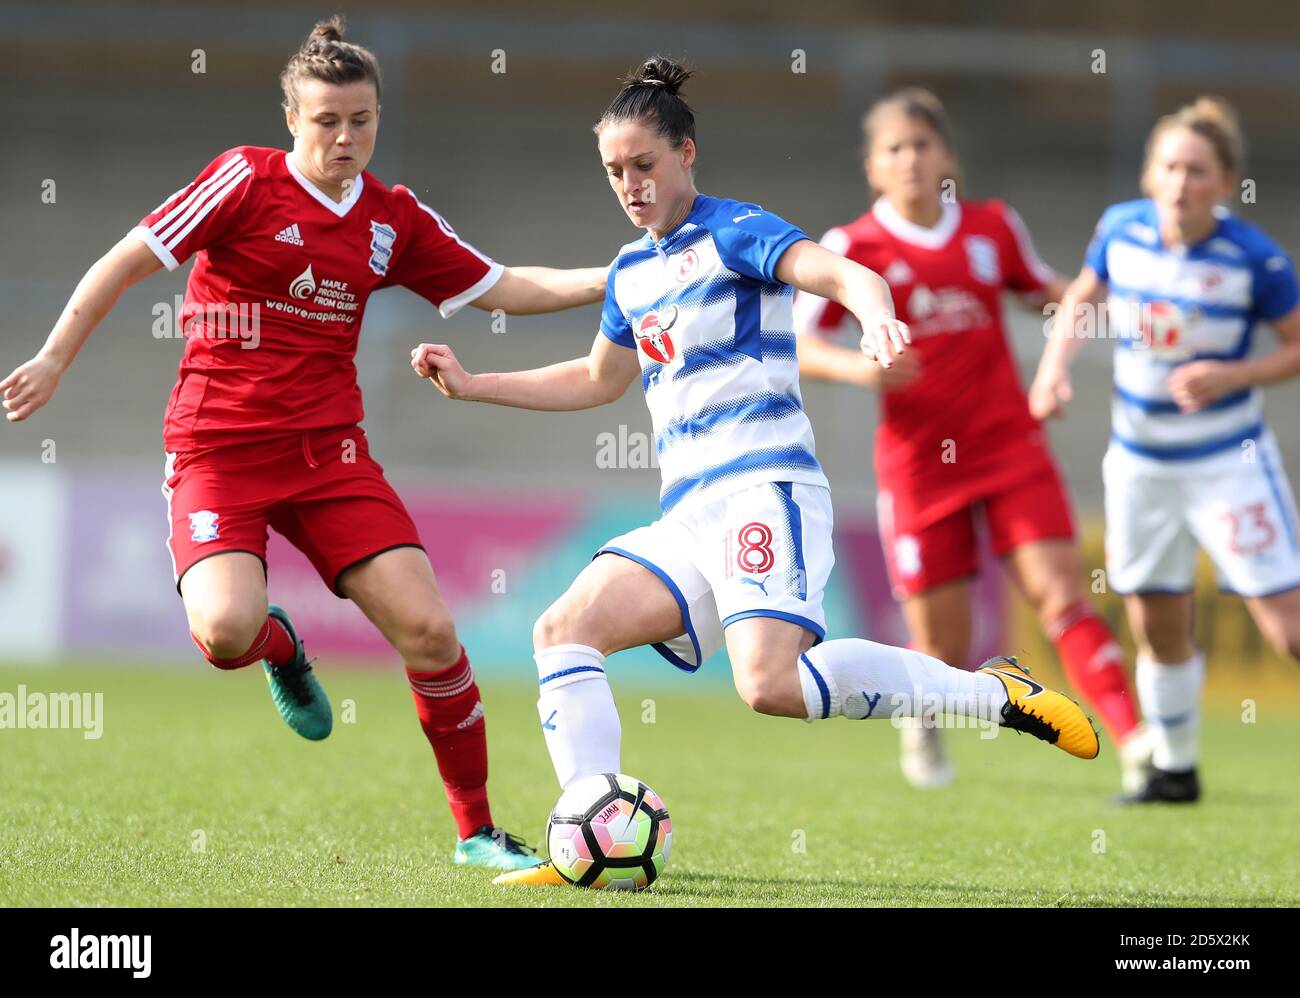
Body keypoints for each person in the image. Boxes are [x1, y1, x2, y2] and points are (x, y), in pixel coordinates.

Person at [410, 58, 1099, 888]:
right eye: (614, 171)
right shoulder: (631, 272)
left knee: (769, 685)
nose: (629, 184)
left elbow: (843, 273)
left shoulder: (738, 230)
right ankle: (588, 833)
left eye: (644, 165)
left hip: (765, 489)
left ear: (686, 154)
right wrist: (475, 384)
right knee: (562, 631)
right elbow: (599, 379)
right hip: (688, 513)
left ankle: (996, 696)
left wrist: (876, 314)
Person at [0, 16, 609, 868]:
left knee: (432, 633)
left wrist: (618, 276)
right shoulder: (241, 182)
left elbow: (501, 284)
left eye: (361, 120)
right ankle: (282, 646)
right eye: (326, 120)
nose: (345, 137)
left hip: (331, 454)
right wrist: (54, 357)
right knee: (223, 631)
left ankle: (475, 833)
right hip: (217, 451)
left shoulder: (391, 219)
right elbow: (124, 263)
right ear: (292, 118)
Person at [794, 89, 1145, 793]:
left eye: (924, 145)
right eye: (895, 148)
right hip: (920, 468)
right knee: (944, 646)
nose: (912, 160)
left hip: (1010, 449)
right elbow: (800, 346)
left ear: (947, 156)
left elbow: (1044, 290)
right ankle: (920, 723)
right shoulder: (852, 247)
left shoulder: (992, 227)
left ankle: (1141, 749)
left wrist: (1121, 304)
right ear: (872, 166)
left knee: (1064, 598)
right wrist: (863, 369)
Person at [1031, 96, 1300, 803]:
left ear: (1225, 181)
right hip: (1142, 466)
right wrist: (1052, 372)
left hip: (1229, 465)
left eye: (1198, 170)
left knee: (1288, 627)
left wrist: (1233, 373)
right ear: (1151, 174)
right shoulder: (1121, 230)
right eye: (1170, 167)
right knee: (1159, 622)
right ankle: (1175, 771)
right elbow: (1082, 301)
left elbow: (1298, 346)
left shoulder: (1255, 259)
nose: (1181, 182)